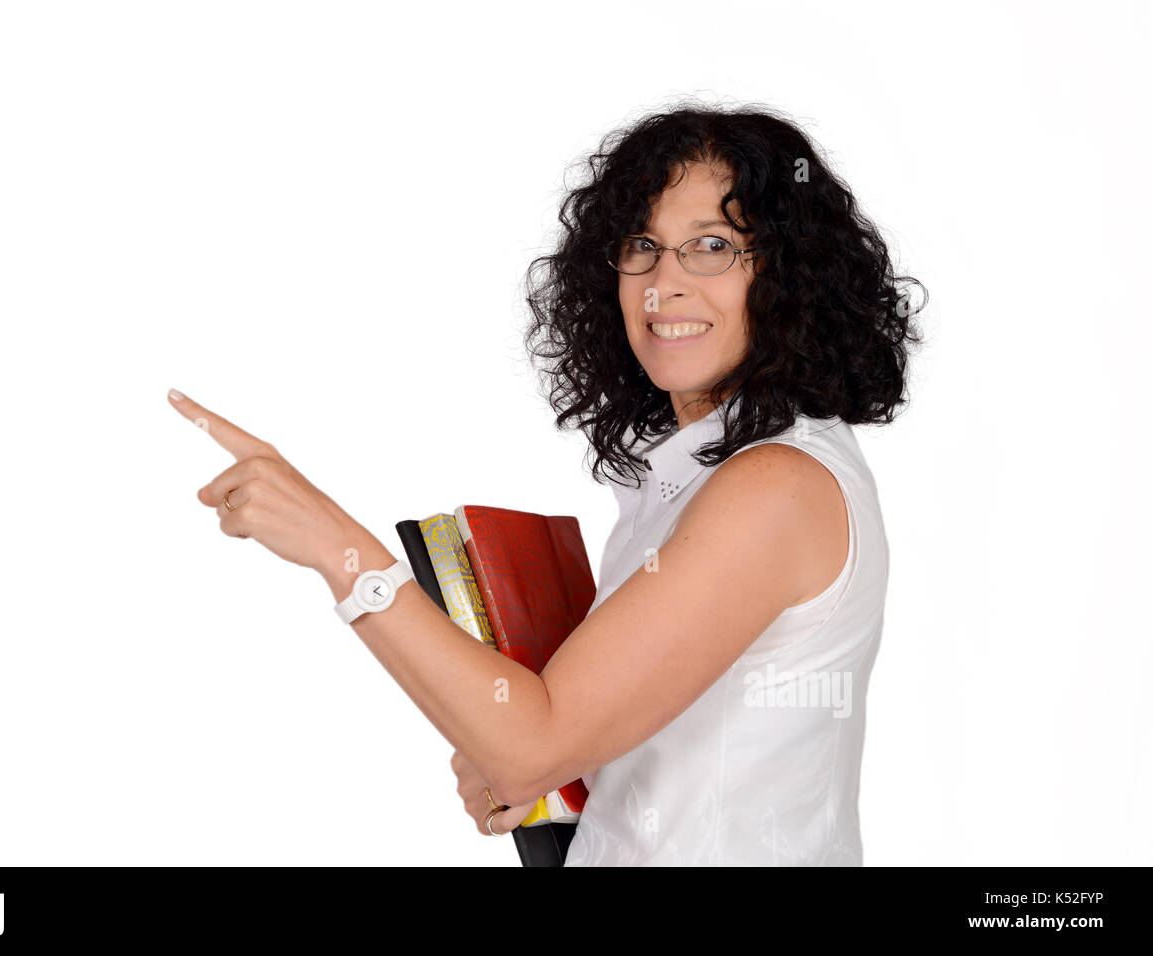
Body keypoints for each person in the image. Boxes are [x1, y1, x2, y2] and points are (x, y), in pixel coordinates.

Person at [167, 101, 925, 865]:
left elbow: (536, 742)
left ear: (789, 277)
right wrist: (525, 759)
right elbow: (566, 746)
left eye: (712, 246)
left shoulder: (775, 487)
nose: (664, 285)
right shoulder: (703, 474)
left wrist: (335, 545)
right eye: (643, 247)